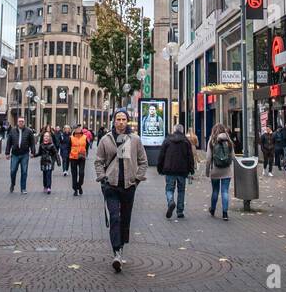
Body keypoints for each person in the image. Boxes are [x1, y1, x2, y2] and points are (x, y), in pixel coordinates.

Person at [95, 109, 147, 272]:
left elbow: (143, 161)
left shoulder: (135, 139)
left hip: (128, 186)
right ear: (113, 121)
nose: (121, 122)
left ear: (128, 121)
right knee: (115, 218)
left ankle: (121, 246)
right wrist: (102, 178)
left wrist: (137, 179)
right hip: (111, 186)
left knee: (125, 219)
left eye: (124, 119)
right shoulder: (106, 139)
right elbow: (98, 161)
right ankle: (116, 252)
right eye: (118, 119)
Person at [157, 123, 195, 219]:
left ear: (174, 130)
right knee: (181, 190)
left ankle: (170, 201)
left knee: (169, 189)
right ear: (182, 131)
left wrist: (160, 168)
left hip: (169, 169)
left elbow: (161, 155)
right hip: (182, 170)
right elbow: (190, 157)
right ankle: (180, 212)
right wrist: (191, 170)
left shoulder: (167, 140)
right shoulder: (186, 141)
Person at [205, 123, 235, 220]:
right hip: (227, 170)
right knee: (225, 191)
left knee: (215, 191)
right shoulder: (229, 141)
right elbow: (233, 157)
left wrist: (207, 171)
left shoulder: (212, 141)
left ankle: (213, 209)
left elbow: (208, 158)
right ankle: (225, 213)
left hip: (215, 170)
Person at [4, 115, 35, 194]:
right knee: (13, 171)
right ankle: (13, 184)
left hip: (25, 154)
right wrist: (7, 153)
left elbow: (32, 143)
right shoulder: (12, 131)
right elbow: (9, 143)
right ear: (17, 122)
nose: (21, 123)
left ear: (24, 122)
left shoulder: (29, 131)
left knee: (24, 171)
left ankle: (23, 188)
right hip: (15, 154)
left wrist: (33, 152)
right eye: (19, 121)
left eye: (22, 121)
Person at [69, 124, 90, 195]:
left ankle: (79, 185)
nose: (78, 129)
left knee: (81, 173)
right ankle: (75, 189)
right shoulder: (71, 138)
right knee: (74, 174)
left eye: (79, 128)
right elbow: (69, 147)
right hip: (73, 158)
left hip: (81, 157)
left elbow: (87, 146)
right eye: (76, 128)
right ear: (74, 130)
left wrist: (85, 153)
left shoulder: (84, 137)